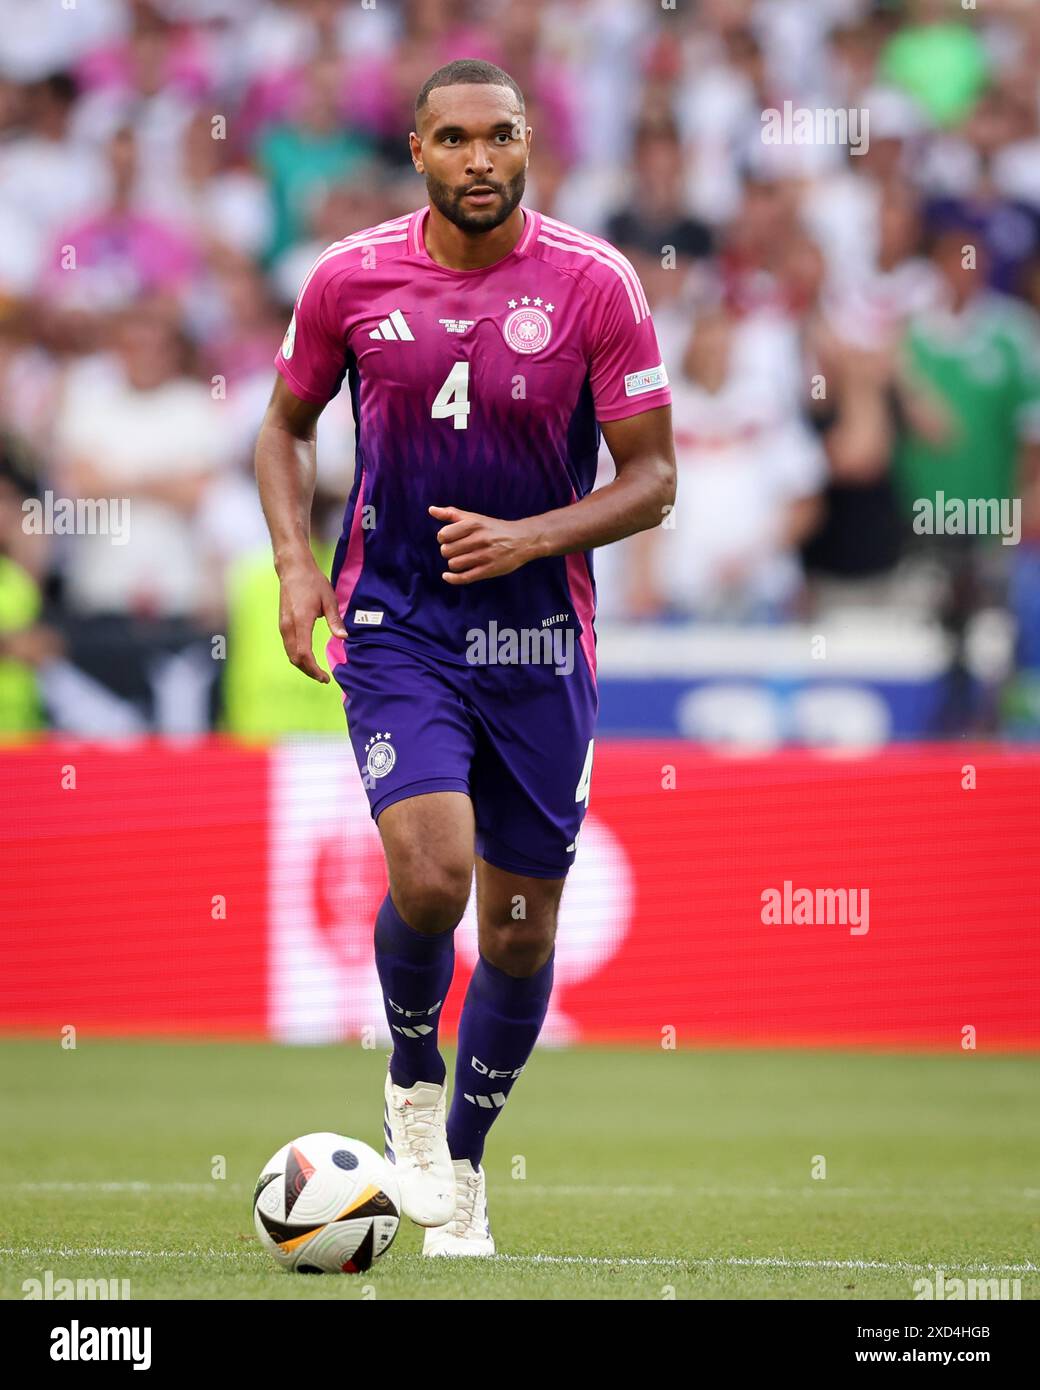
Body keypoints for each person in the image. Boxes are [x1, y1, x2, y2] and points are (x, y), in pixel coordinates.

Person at [254, 58, 675, 1256]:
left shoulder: (594, 286)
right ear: (417, 152)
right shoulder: (348, 277)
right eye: (453, 139)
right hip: (398, 626)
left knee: (518, 931)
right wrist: (295, 567)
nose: (479, 159)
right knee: (433, 878)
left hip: (540, 640)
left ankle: (465, 1169)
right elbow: (281, 431)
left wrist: (529, 538)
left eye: (499, 137)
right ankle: (409, 1085)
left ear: (528, 142)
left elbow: (654, 480)